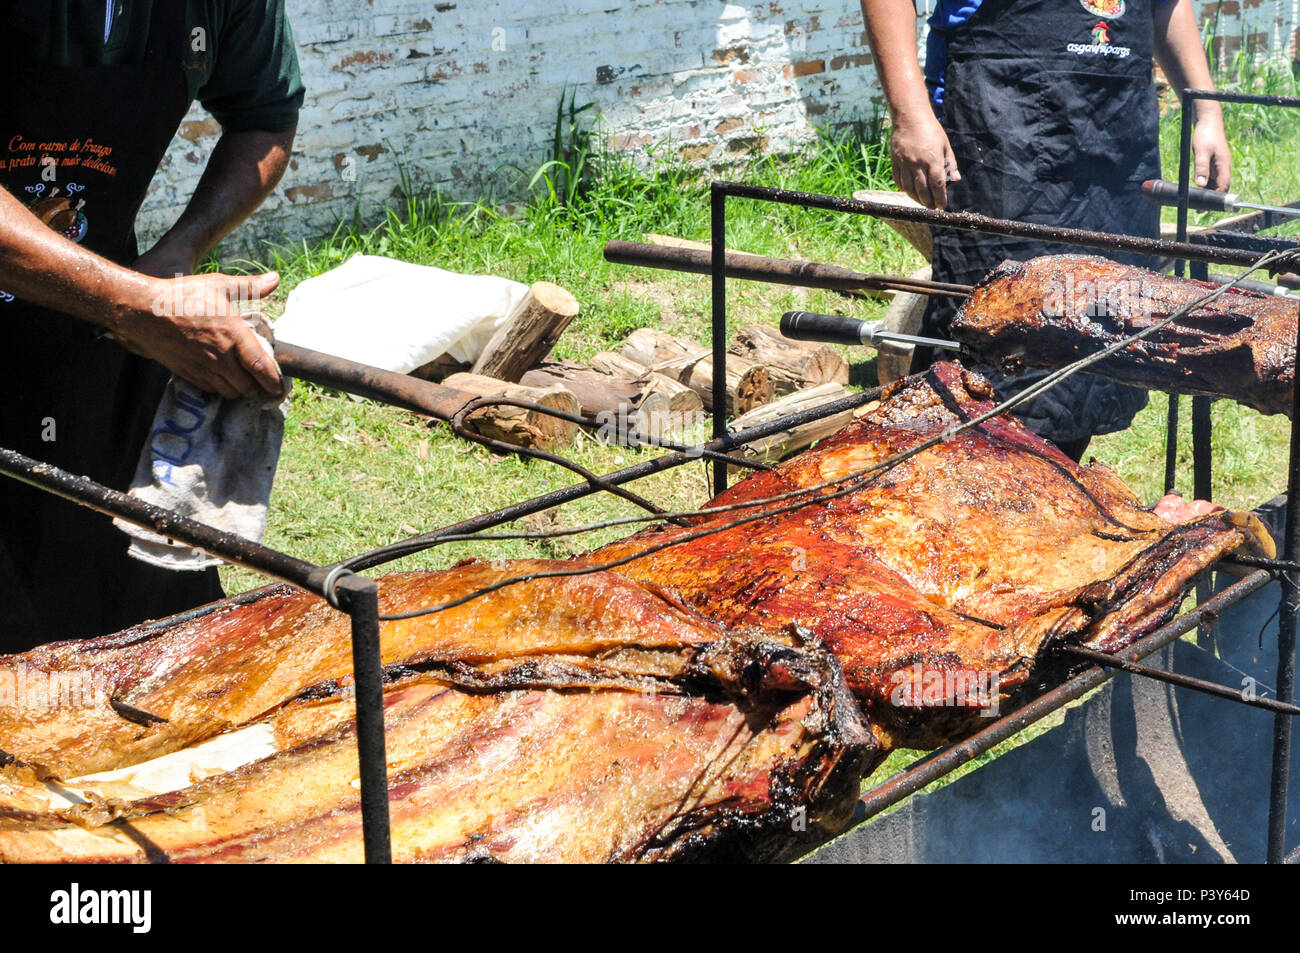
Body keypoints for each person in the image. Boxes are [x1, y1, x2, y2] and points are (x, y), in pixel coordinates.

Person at [0, 0, 304, 652]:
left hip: (91, 342)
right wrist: (136, 304)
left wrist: (177, 254)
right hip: (114, 309)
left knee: (140, 633)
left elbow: (266, 117)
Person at [860, 0, 1230, 460]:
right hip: (1002, 123)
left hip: (1115, 133)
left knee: (1096, 337)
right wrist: (910, 114)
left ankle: (1047, 495)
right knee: (990, 340)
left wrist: (1206, 110)